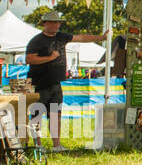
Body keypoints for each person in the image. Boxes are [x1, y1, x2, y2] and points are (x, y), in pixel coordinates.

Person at [24, 12, 106, 152]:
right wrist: (50, 58)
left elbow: (81, 37)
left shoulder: (62, 37)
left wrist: (101, 37)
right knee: (37, 115)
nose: (55, 25)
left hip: (56, 83)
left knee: (56, 115)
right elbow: (29, 59)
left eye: (57, 22)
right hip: (39, 84)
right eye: (51, 22)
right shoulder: (37, 40)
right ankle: (38, 145)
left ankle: (57, 145)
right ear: (44, 23)